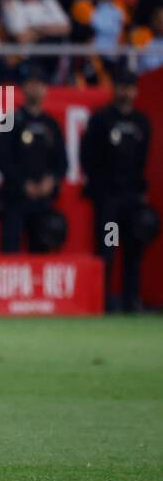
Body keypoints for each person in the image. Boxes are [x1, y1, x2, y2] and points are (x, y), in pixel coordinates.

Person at [80, 69, 153, 312]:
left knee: (134, 246)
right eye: (122, 87)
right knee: (108, 247)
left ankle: (131, 299)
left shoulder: (141, 123)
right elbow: (88, 157)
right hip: (109, 198)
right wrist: (100, 189)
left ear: (136, 91)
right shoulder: (101, 120)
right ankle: (104, 299)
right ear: (116, 89)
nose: (126, 92)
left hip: (132, 199)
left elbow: (143, 161)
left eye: (130, 87)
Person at [0, 63, 68, 253]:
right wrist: (23, 183)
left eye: (39, 84)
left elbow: (62, 162)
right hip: (15, 198)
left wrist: (51, 181)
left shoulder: (52, 124)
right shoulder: (9, 119)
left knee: (42, 252)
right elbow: (0, 159)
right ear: (23, 88)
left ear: (45, 89)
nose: (35, 88)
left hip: (43, 200)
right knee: (10, 254)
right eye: (30, 83)